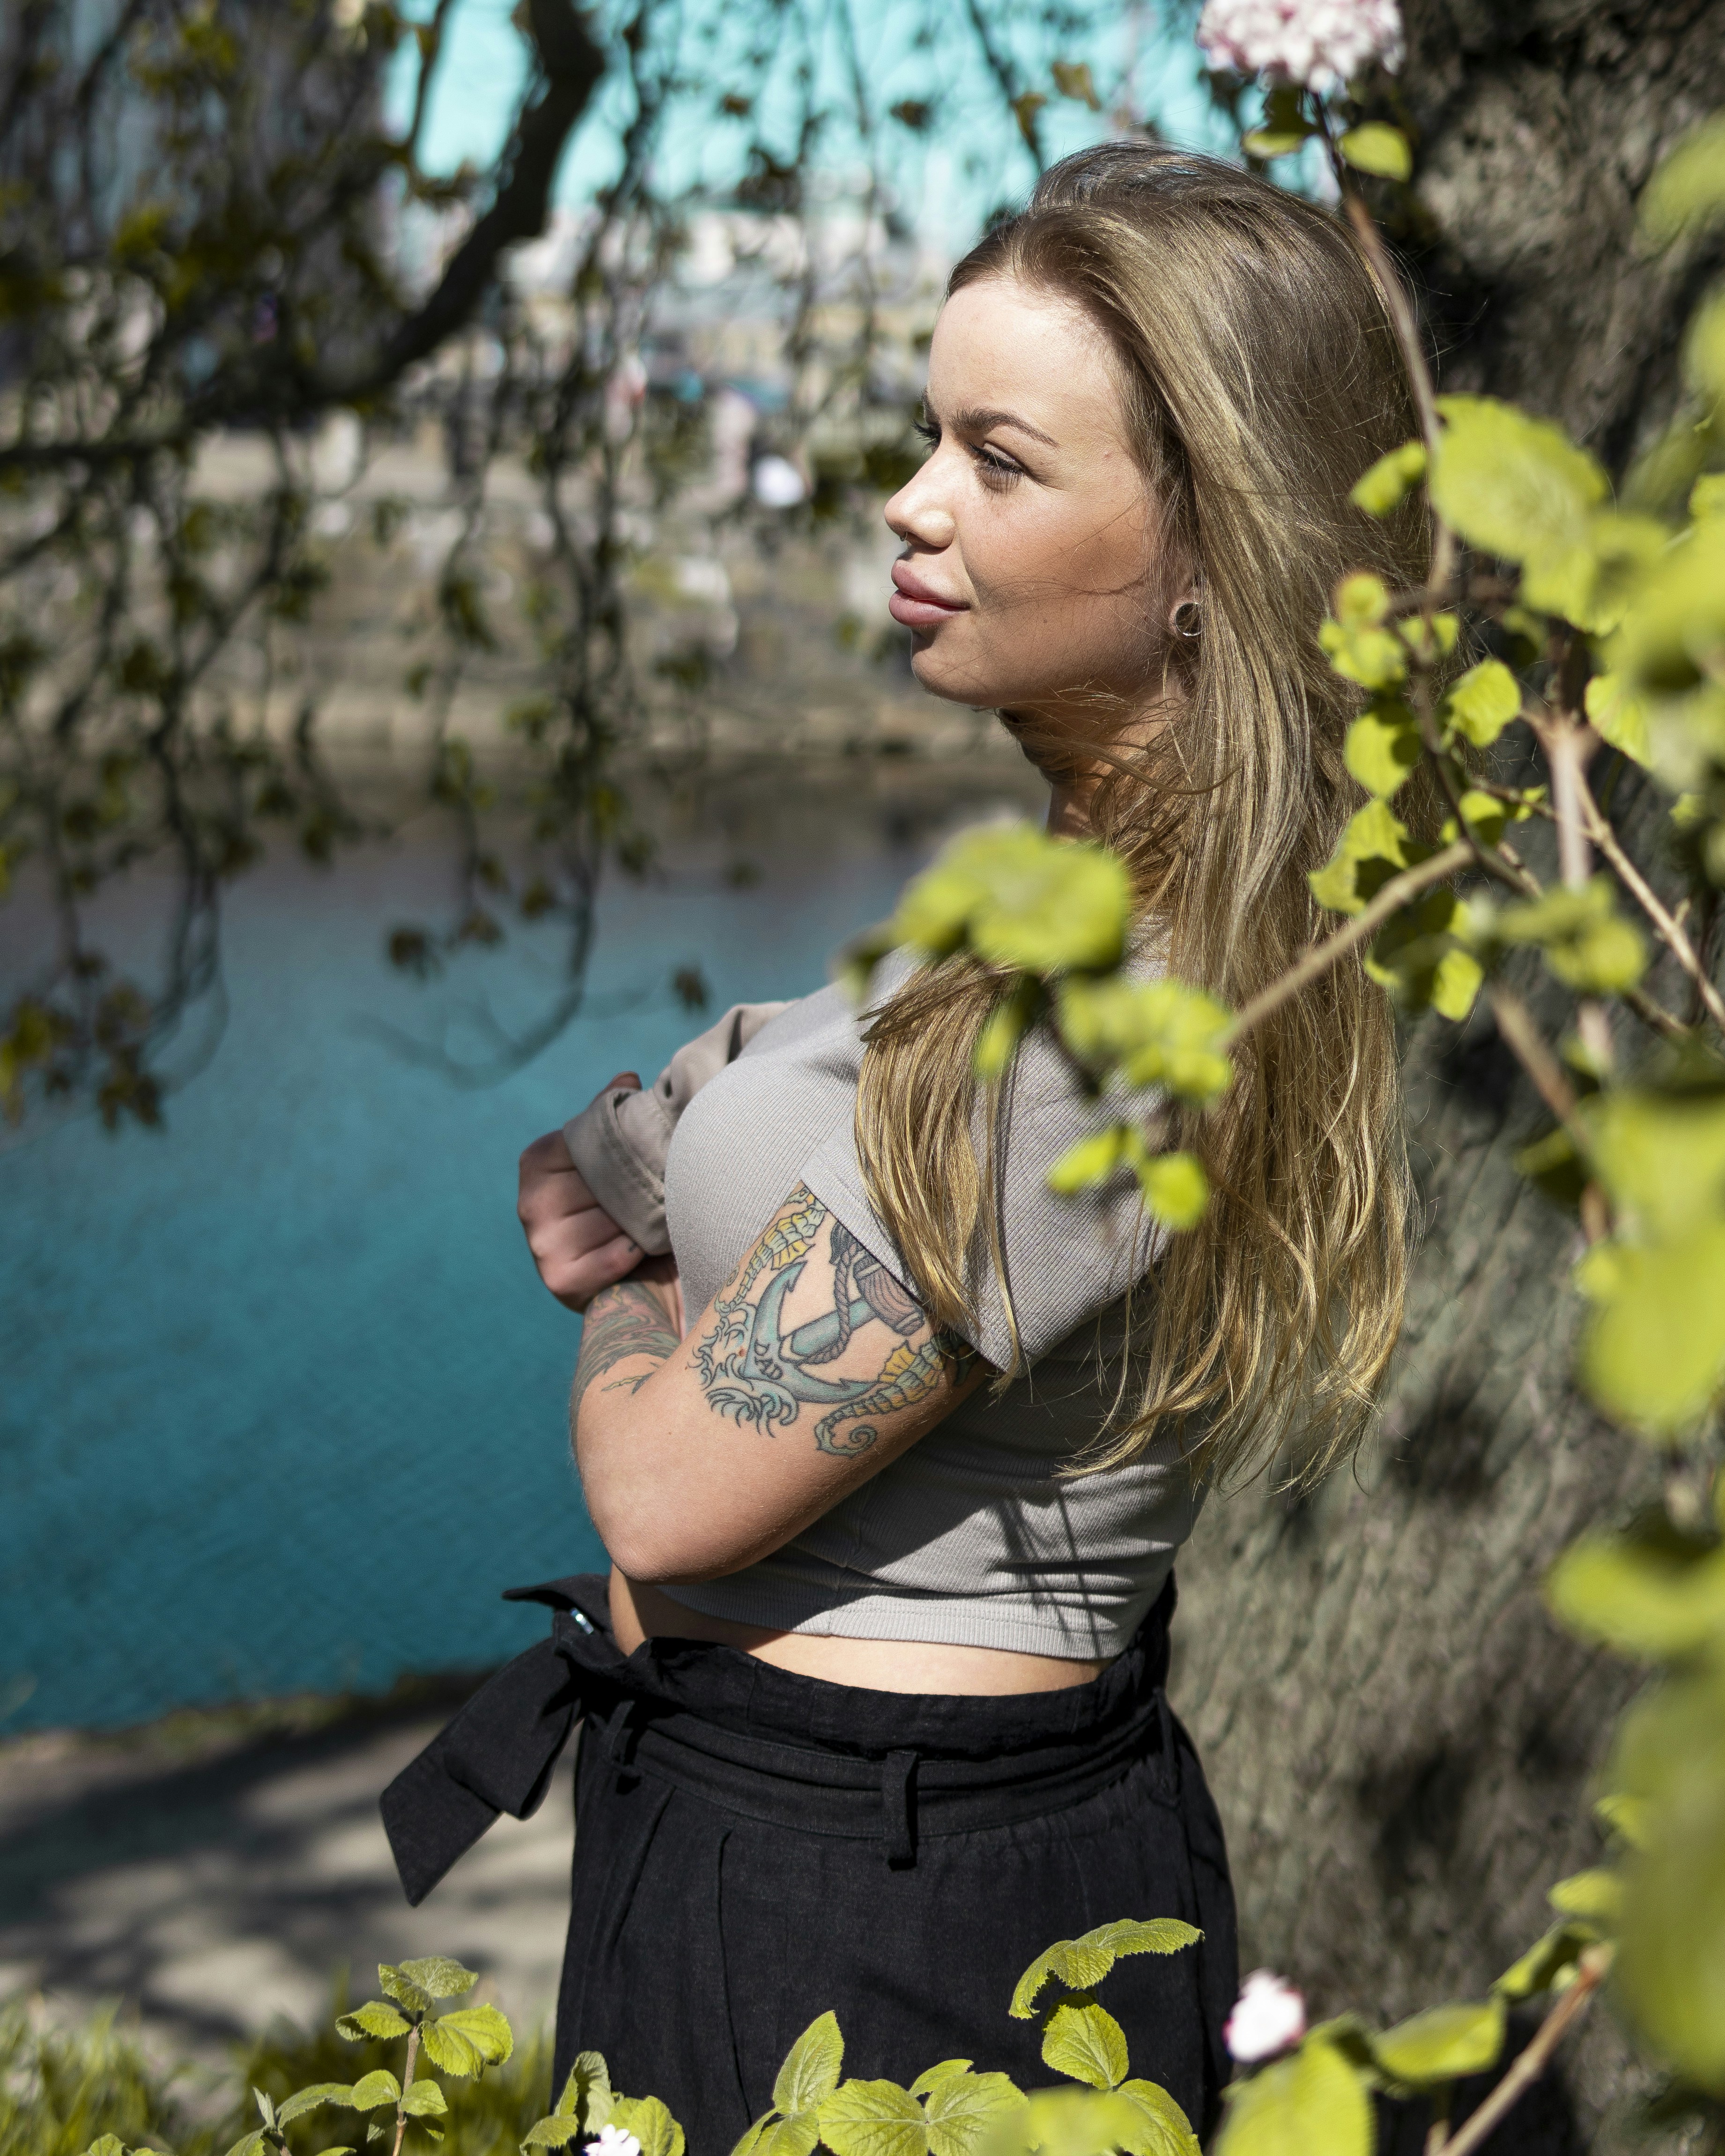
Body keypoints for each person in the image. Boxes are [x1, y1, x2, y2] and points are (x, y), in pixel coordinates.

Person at [383, 141, 1423, 2149]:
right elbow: (821, 1084)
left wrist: (645, 1272)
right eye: (925, 432)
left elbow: (668, 1495)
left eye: (1000, 460)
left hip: (865, 1903)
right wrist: (677, 1115)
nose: (910, 497)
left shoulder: (1114, 1017)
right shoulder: (1101, 916)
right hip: (840, 1841)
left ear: (1211, 541)